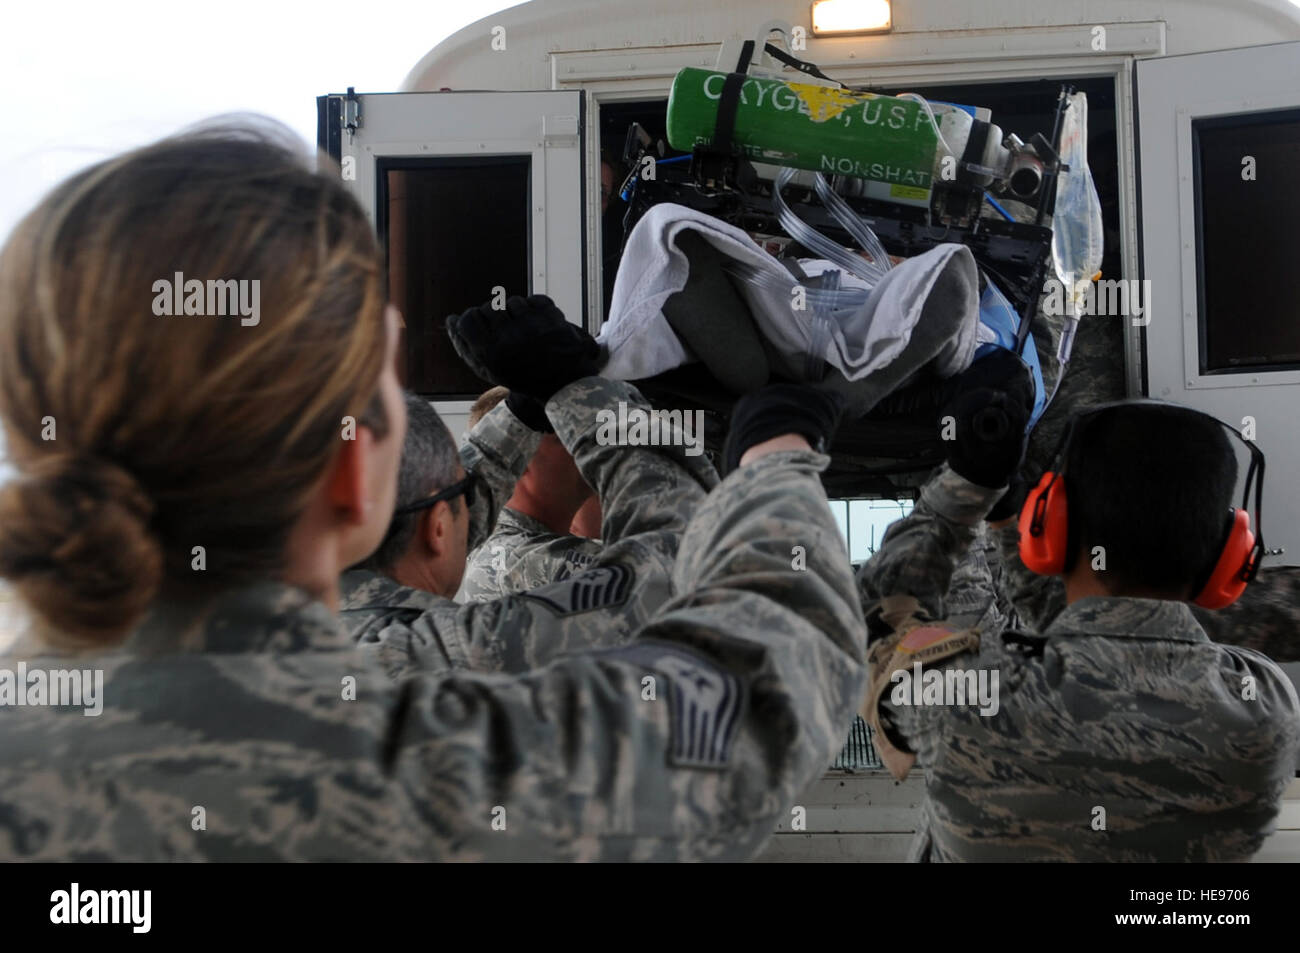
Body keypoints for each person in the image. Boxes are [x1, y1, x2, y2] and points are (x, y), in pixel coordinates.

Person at [0, 120, 866, 861]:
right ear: (350, 474)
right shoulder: (417, 768)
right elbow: (764, 684)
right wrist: (773, 457)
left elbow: (431, 519)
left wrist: (527, 407)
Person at [857, 349, 1300, 862]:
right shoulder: (1263, 706)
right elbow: (1095, 643)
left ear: (1053, 530)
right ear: (1228, 556)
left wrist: (975, 483)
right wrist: (992, 512)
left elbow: (886, 608)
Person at [341, 293, 720, 677]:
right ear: (438, 528)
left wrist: (526, 408)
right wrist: (576, 391)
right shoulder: (448, 656)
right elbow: (682, 572)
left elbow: (437, 513)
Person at [457, 385, 601, 601]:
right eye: (565, 437)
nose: (586, 446)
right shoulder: (522, 557)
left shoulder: (506, 543)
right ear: (518, 457)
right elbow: (648, 569)